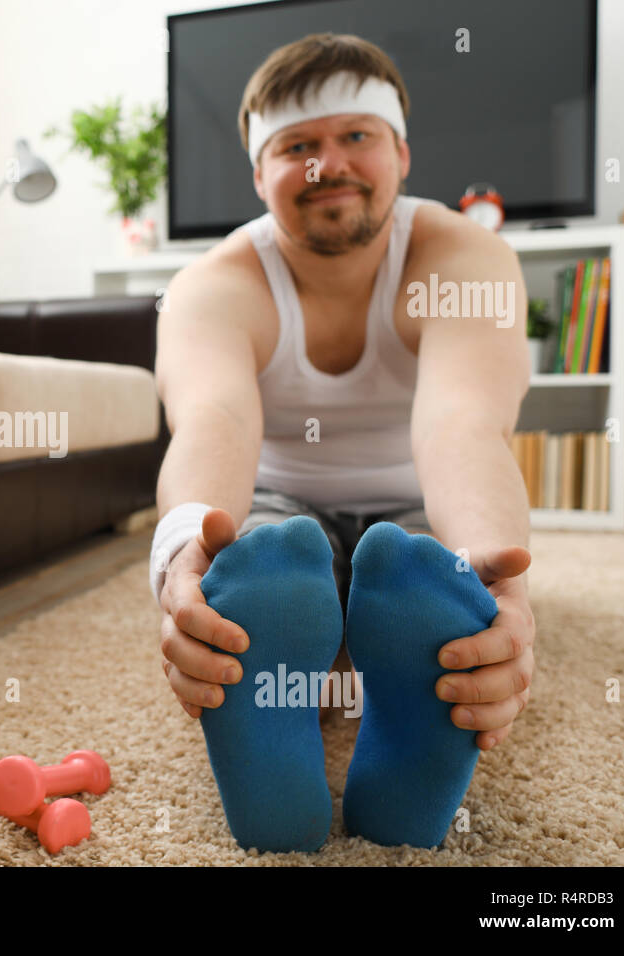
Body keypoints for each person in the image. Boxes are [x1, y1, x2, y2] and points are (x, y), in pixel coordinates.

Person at [149, 33, 536, 851]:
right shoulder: (213, 285)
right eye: (298, 147)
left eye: (355, 136)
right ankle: (305, 647)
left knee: (435, 579)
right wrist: (187, 551)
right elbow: (213, 420)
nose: (329, 165)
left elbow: (461, 423)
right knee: (258, 560)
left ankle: (389, 644)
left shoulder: (465, 255)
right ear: (259, 175)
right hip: (282, 511)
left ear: (400, 151)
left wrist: (494, 583)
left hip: (418, 509)